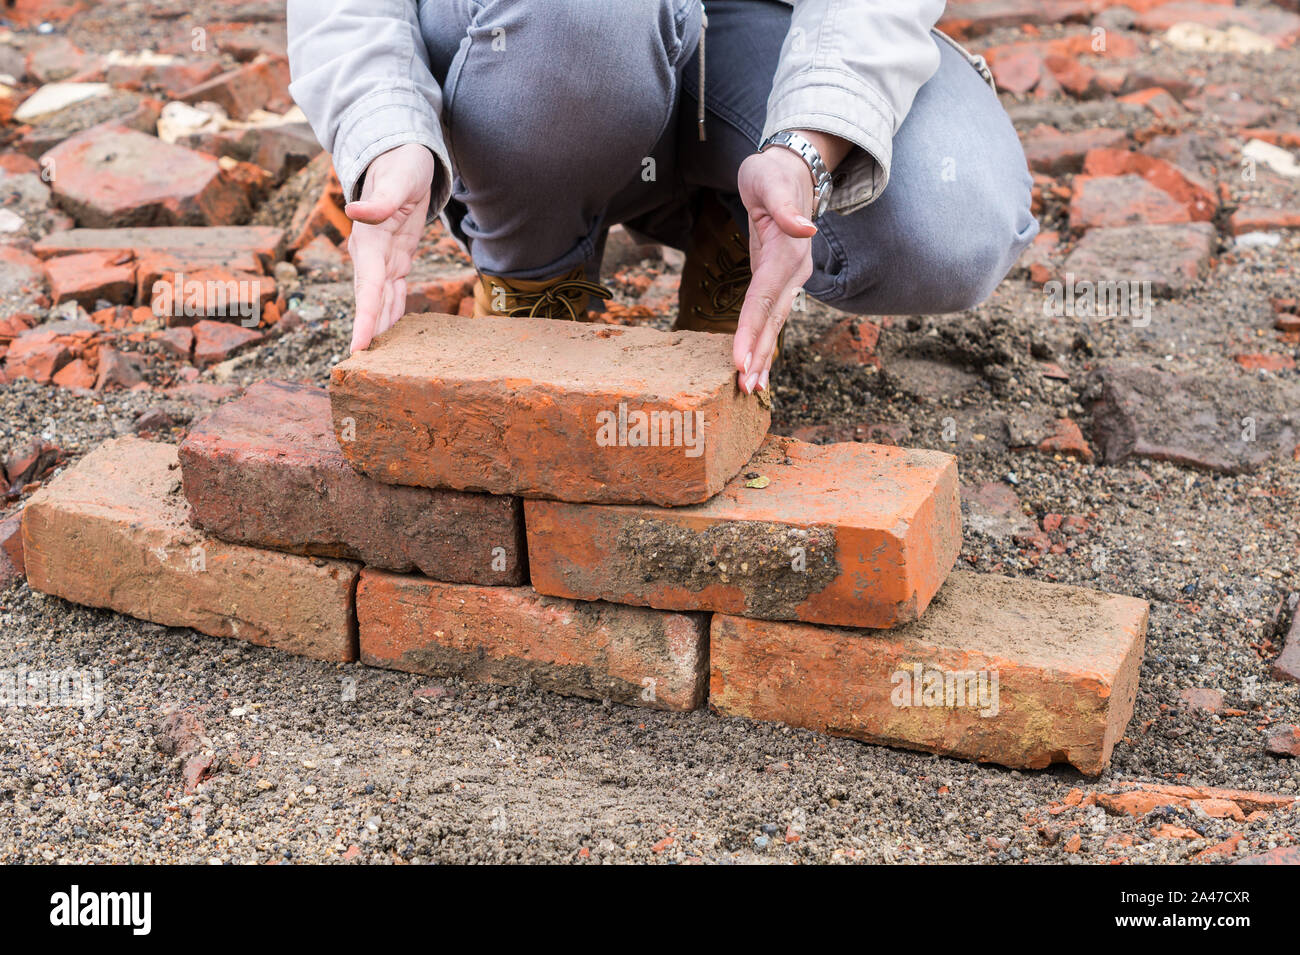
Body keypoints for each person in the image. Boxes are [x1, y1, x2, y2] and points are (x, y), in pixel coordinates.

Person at [287, 0, 1038, 394]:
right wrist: (386, 131)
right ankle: (534, 276)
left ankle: (731, 224)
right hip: (542, 35)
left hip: (760, 30)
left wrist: (809, 145)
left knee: (953, 213)